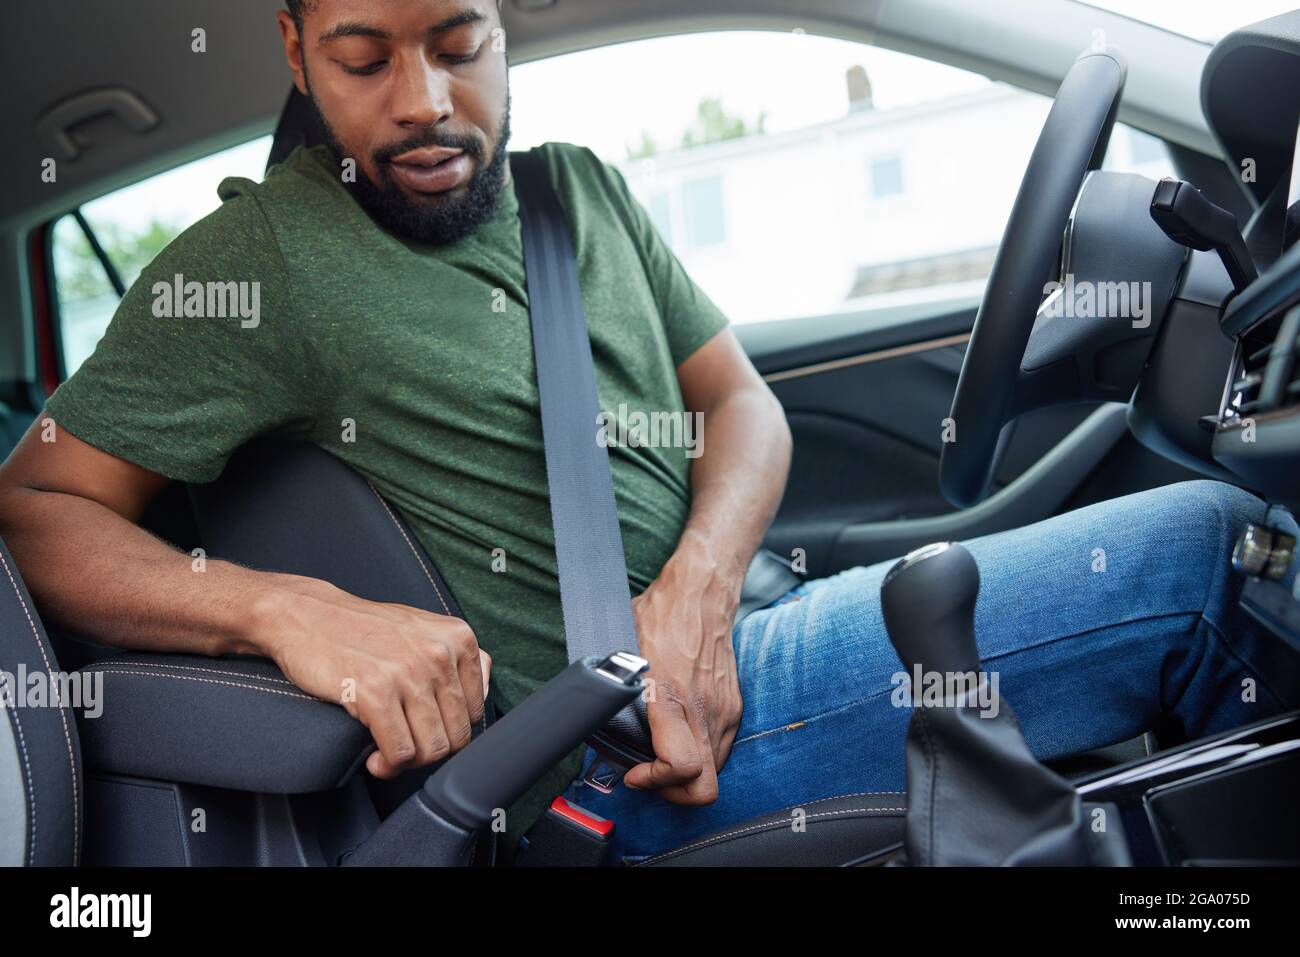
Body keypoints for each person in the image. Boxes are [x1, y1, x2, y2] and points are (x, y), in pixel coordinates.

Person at [0, 0, 1294, 862]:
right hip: (607, 759)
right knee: (1212, 558)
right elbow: (34, 510)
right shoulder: (256, 261)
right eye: (363, 55)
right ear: (294, 51)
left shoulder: (577, 196)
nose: (427, 99)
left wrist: (696, 584)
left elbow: (741, 403)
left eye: (459, 39)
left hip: (738, 626)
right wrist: (282, 610)